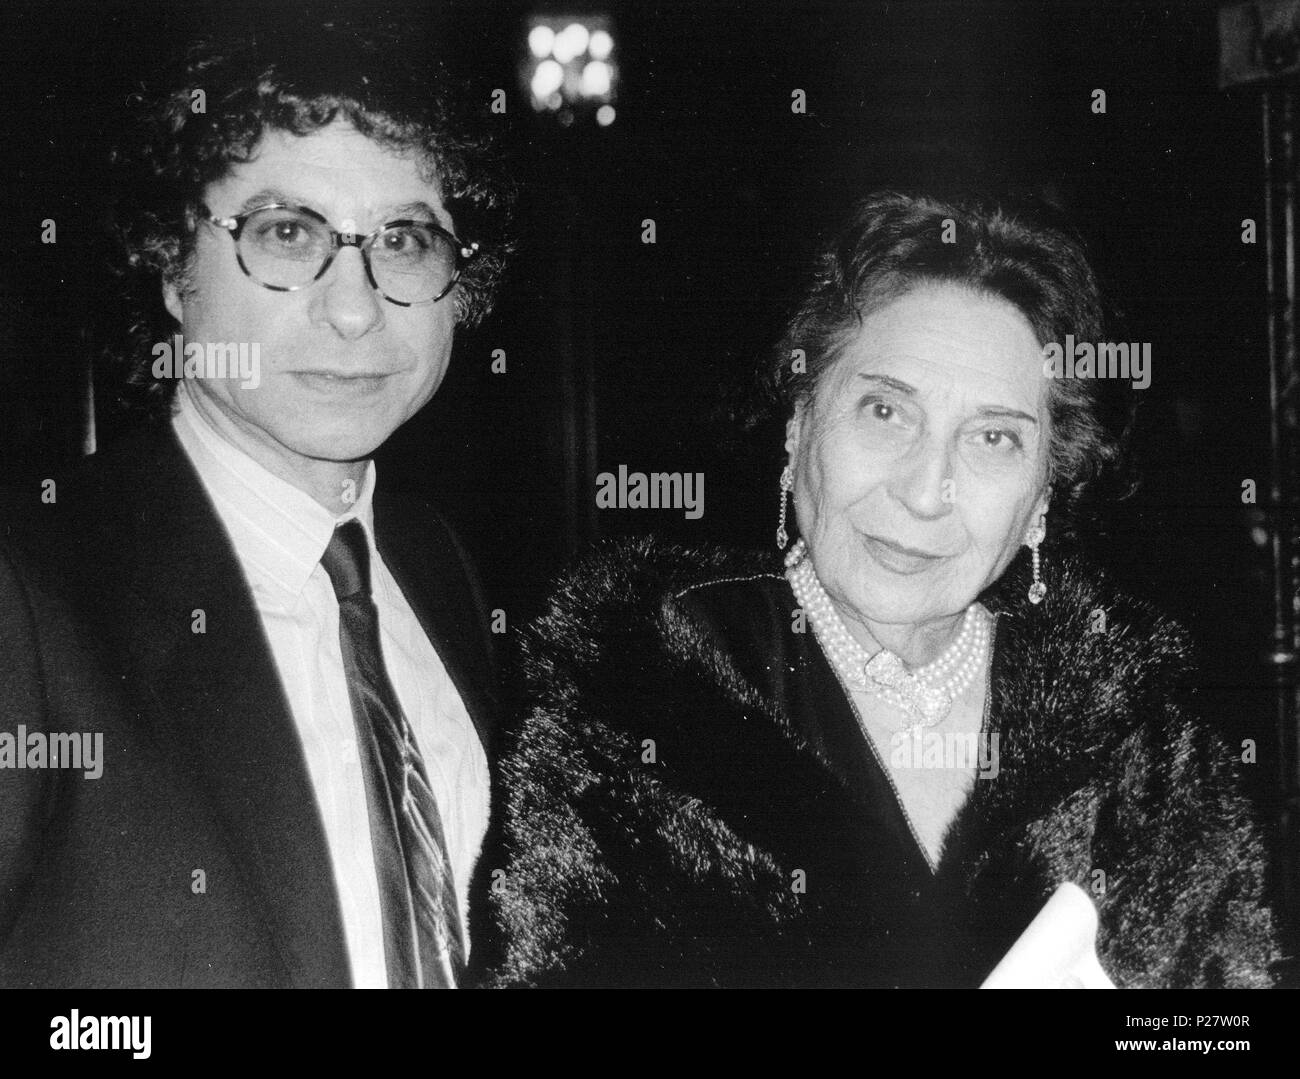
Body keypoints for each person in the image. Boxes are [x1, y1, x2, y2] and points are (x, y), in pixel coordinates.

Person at [487, 191, 1281, 988]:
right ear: (799, 426)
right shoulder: (637, 698)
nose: (926, 489)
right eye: (886, 410)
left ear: (1043, 493)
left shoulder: (1131, 734)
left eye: (994, 437)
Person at [1, 19, 514, 988]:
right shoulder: (27, 592)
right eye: (288, 233)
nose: (355, 307)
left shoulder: (434, 561)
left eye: (403, 239)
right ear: (169, 264)